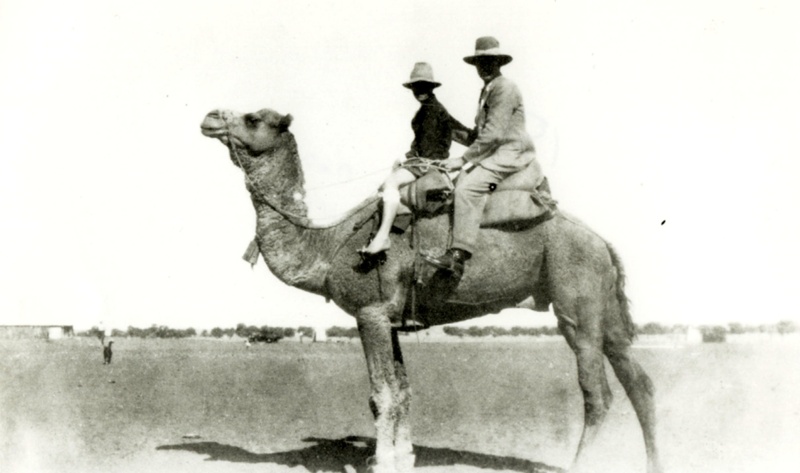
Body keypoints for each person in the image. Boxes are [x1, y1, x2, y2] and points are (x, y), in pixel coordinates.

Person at [423, 36, 540, 278]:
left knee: (467, 189)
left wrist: (461, 160)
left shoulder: (504, 88)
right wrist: (444, 124)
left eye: (490, 62)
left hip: (510, 154)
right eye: (480, 63)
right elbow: (479, 135)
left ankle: (457, 257)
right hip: (495, 152)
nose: (484, 67)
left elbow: (493, 134)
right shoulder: (488, 90)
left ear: (499, 63)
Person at [359, 62, 463, 259]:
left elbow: (430, 151)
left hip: (427, 166)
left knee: (391, 183)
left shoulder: (434, 111)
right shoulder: (431, 109)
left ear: (431, 87)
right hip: (423, 163)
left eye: (424, 86)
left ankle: (383, 237)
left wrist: (409, 163)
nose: (420, 91)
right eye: (416, 87)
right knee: (390, 185)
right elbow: (459, 133)